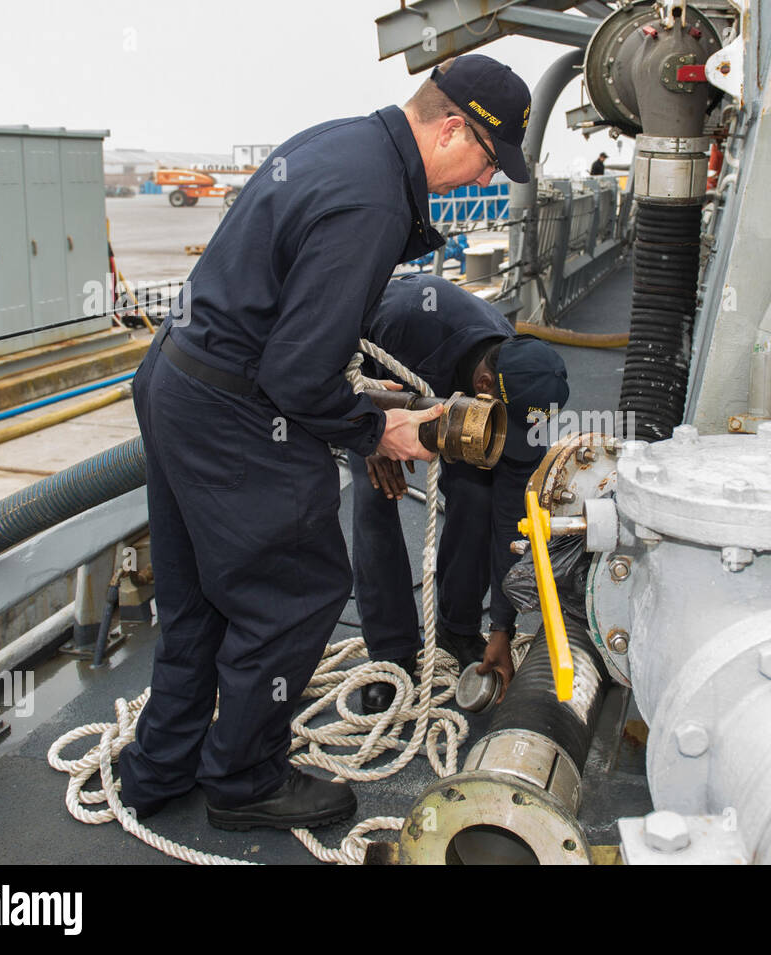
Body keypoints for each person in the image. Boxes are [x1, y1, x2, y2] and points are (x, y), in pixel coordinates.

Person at [118, 55, 534, 832]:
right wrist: (381, 427)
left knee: (197, 596)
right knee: (295, 588)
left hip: (173, 380)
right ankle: (242, 780)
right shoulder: (375, 202)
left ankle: (159, 766)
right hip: (232, 411)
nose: (481, 176)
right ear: (451, 130)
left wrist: (360, 408)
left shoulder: (341, 142)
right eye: (485, 157)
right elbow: (297, 373)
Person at [349, 275, 568, 714]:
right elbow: (329, 355)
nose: (516, 440)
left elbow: (512, 526)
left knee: (478, 500)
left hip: (451, 401)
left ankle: (458, 627)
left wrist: (502, 628)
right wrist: (367, 433)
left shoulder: (523, 396)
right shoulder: (405, 319)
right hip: (372, 390)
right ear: (484, 384)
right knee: (377, 501)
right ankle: (390, 654)